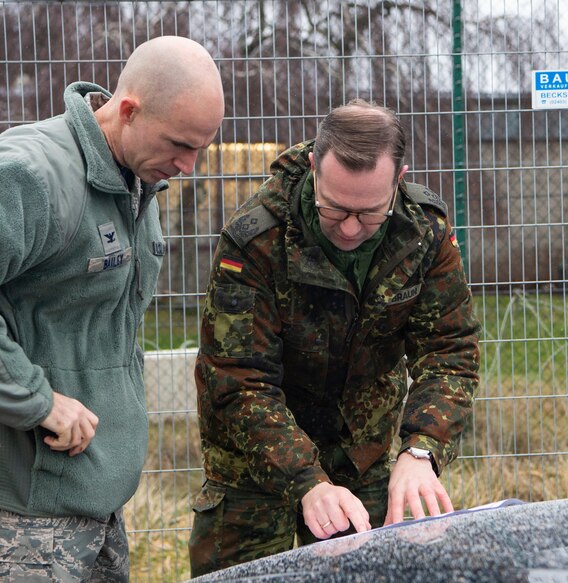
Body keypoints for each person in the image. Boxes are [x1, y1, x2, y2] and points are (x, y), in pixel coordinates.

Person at [0, 35, 224, 582]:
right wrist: (35, 399)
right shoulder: (35, 173)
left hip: (94, 505)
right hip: (14, 524)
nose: (189, 164)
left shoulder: (133, 180)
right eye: (180, 144)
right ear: (129, 109)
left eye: (201, 148)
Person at [189, 98, 480, 576]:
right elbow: (239, 380)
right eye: (334, 208)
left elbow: (449, 352)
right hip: (254, 467)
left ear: (398, 180)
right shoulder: (256, 237)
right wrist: (306, 480)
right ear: (312, 168)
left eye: (369, 214)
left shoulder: (423, 232)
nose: (349, 228)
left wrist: (420, 450)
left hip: (358, 454)